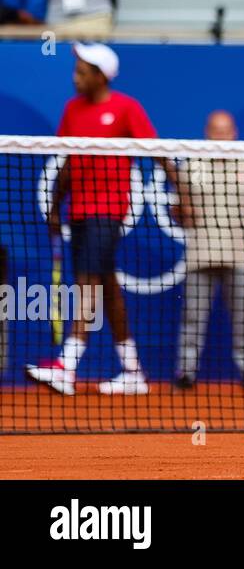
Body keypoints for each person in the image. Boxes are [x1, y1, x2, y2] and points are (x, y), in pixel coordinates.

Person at [27, 43, 190, 396]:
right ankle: (133, 371)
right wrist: (55, 206)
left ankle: (67, 365)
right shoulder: (72, 110)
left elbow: (156, 151)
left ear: (100, 76)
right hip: (80, 212)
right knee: (107, 287)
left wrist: (181, 194)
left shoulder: (126, 108)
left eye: (82, 72)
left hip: (109, 211)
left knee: (87, 282)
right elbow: (68, 163)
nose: (75, 78)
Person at [175, 110, 244, 391]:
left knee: (243, 318)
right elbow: (179, 209)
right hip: (200, 253)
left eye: (225, 131)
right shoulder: (191, 166)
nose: (220, 136)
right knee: (193, 316)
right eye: (215, 131)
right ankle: (186, 373)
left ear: (234, 133)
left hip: (238, 254)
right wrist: (182, 211)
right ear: (207, 132)